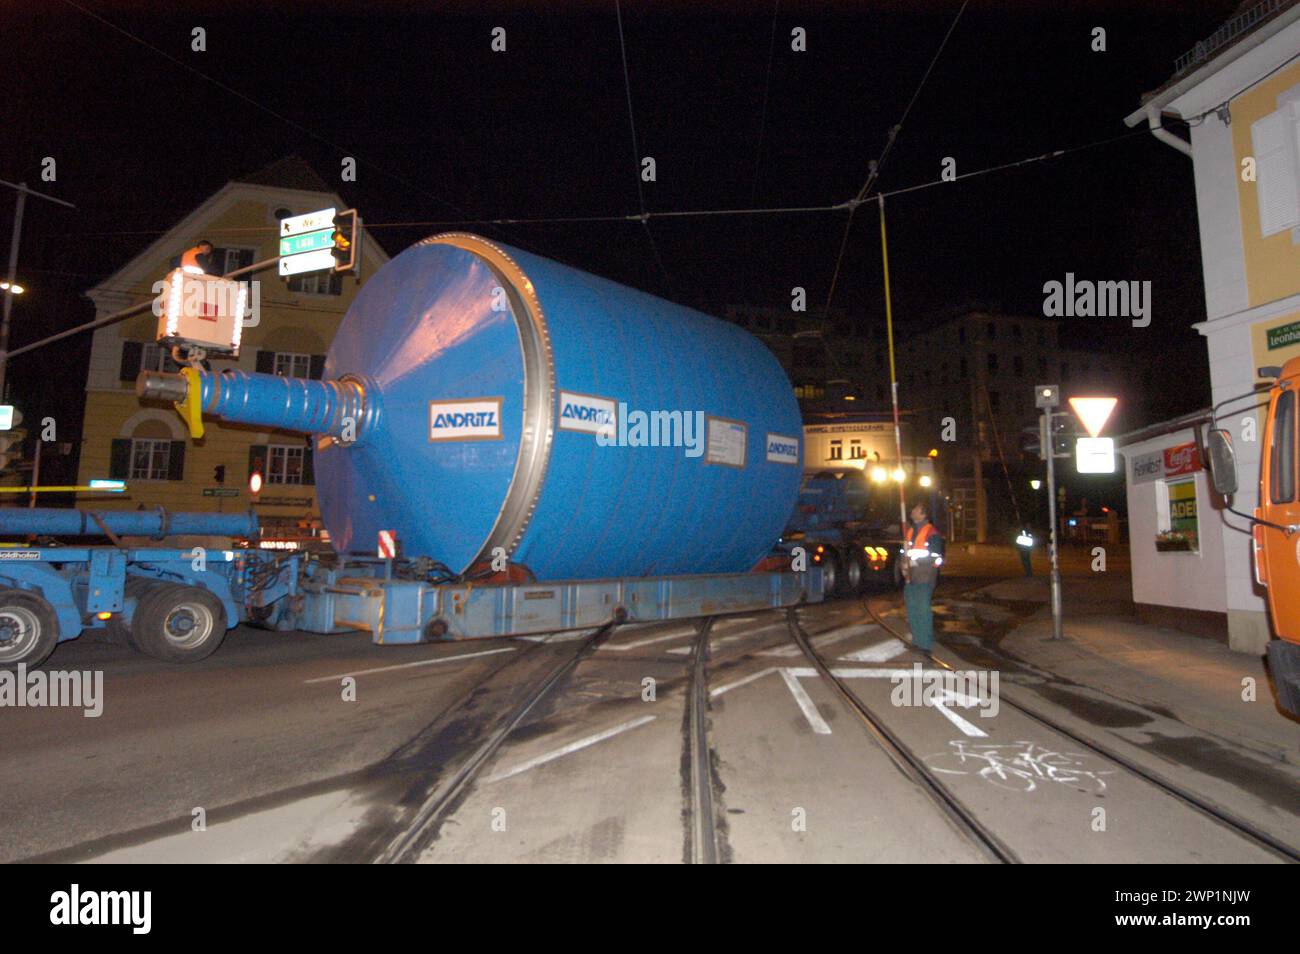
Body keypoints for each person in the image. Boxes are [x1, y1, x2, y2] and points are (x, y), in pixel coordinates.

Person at [898, 500, 944, 654]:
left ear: (923, 513)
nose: (912, 511)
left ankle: (925, 645)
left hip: (924, 577)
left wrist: (915, 562)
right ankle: (917, 641)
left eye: (915, 508)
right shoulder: (911, 531)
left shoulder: (931, 533)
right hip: (910, 577)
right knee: (912, 609)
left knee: (922, 609)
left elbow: (936, 557)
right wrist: (903, 565)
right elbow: (905, 552)